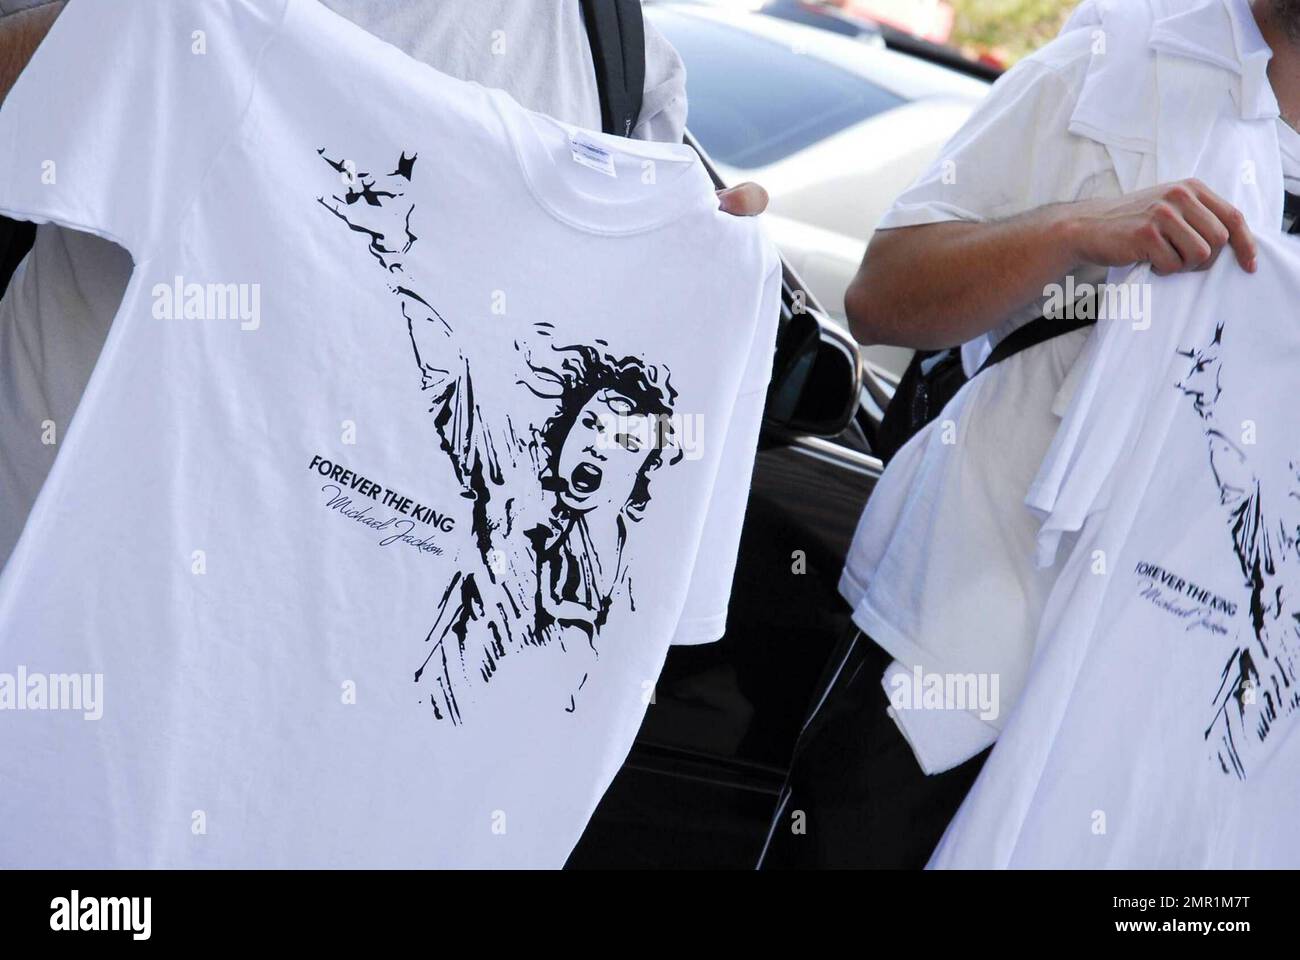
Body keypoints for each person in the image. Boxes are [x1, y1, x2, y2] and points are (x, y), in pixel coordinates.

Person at [764, 0, 1300, 868]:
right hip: (963, 655)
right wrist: (1076, 230)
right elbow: (881, 298)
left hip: (1189, 738)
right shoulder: (1117, 58)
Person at [0, 0, 768, 570]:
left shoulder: (621, 55)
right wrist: (114, 28)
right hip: (62, 572)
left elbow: (581, 357)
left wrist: (701, 263)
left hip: (331, 632)